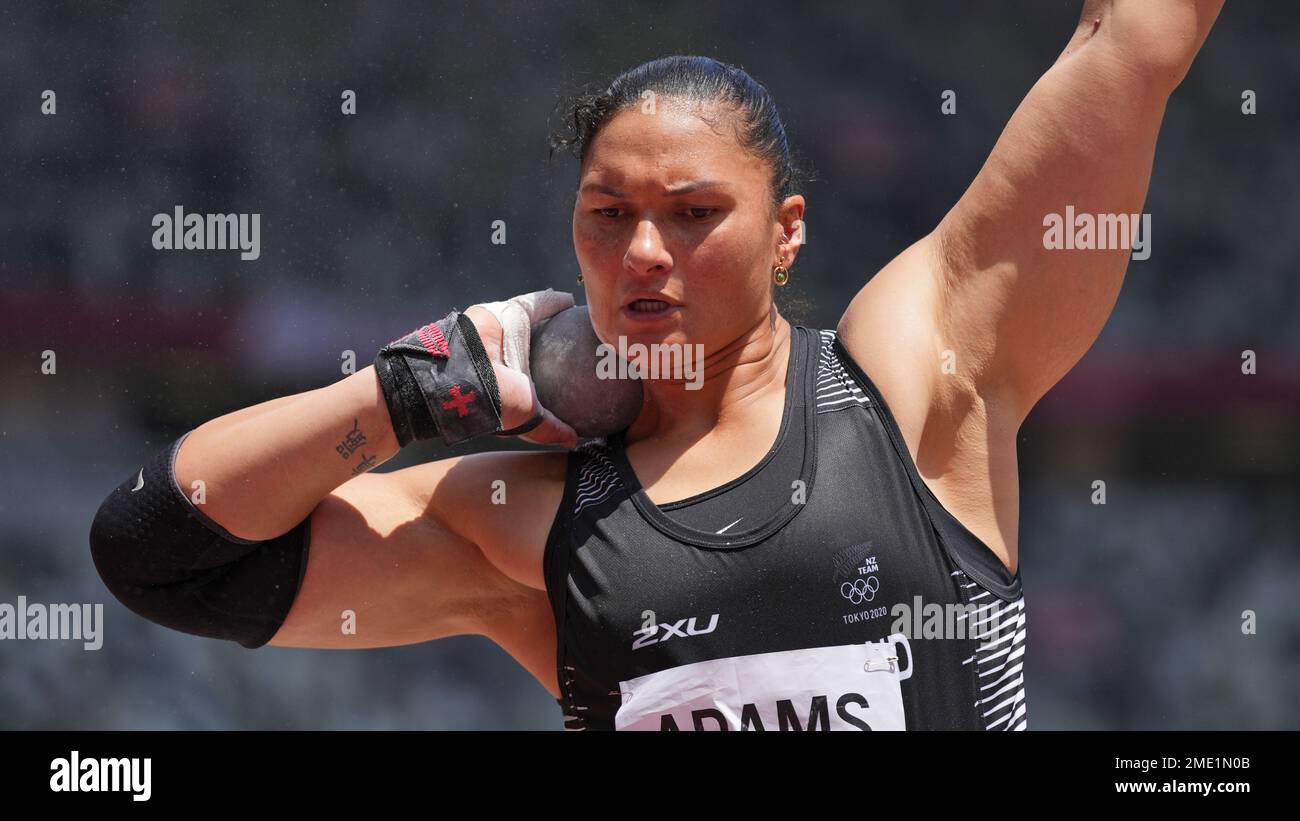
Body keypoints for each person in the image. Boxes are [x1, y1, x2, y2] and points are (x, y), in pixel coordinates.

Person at [89, 0, 1223, 730]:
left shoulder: (913, 380)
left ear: (786, 232)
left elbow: (1132, 41)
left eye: (692, 213)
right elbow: (164, 556)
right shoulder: (534, 522)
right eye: (607, 212)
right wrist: (391, 399)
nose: (643, 251)